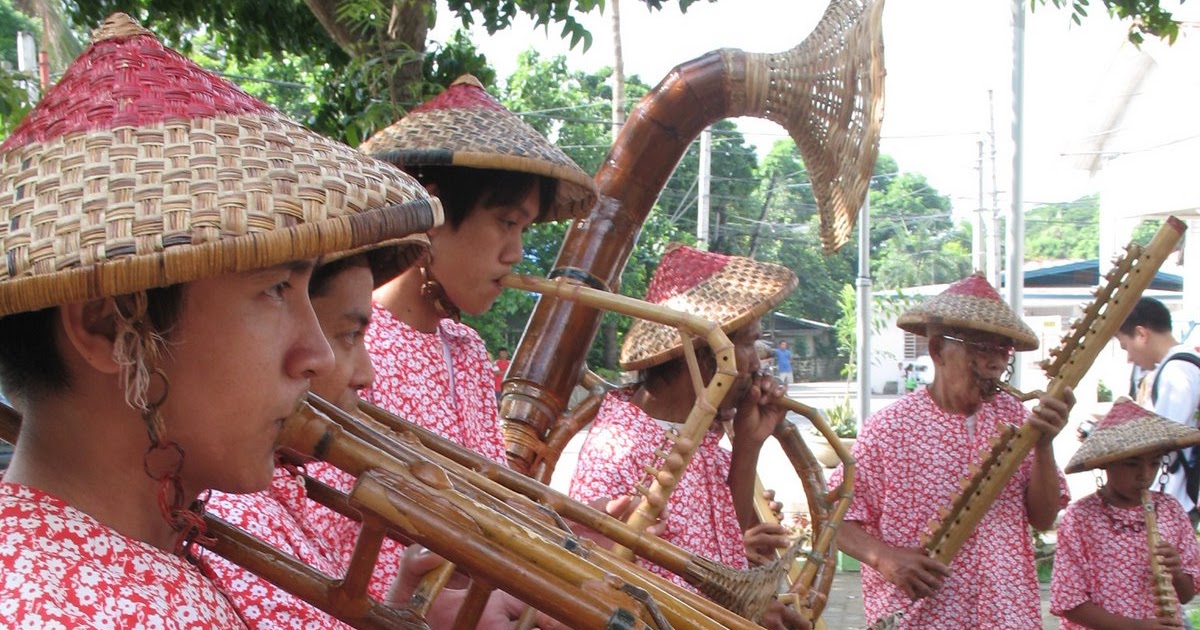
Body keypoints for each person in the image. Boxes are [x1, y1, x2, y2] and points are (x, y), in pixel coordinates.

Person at [0, 13, 439, 627]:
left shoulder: (135, 549)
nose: (317, 355)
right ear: (110, 328)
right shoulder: (54, 608)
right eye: (274, 290)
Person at [357, 74, 596, 465]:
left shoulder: (467, 351)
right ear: (431, 211)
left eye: (523, 229)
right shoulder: (351, 345)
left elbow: (492, 486)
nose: (516, 253)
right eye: (506, 222)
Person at [568, 243, 809, 630]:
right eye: (748, 343)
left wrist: (748, 444)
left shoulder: (697, 432)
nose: (756, 363)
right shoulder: (619, 449)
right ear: (702, 353)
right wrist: (739, 615)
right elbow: (614, 591)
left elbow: (722, 552)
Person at [829, 273, 1073, 629]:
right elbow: (834, 517)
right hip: (920, 619)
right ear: (937, 350)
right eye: (981, 348)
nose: (995, 363)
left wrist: (1045, 445)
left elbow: (1043, 517)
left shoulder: (1018, 420)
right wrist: (885, 559)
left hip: (1007, 616)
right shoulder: (889, 429)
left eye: (1003, 352)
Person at [1051, 400, 1200, 630]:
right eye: (1132, 464)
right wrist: (1136, 627)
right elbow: (1069, 602)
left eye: (1154, 463)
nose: (1145, 475)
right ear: (1105, 463)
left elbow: (1187, 594)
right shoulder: (1080, 517)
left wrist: (1177, 572)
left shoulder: (1170, 510)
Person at [1115, 297, 1200, 523]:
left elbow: (1160, 440)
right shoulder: (1189, 363)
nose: (1129, 358)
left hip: (1175, 498)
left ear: (1141, 334)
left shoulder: (1176, 373)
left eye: (1126, 346)